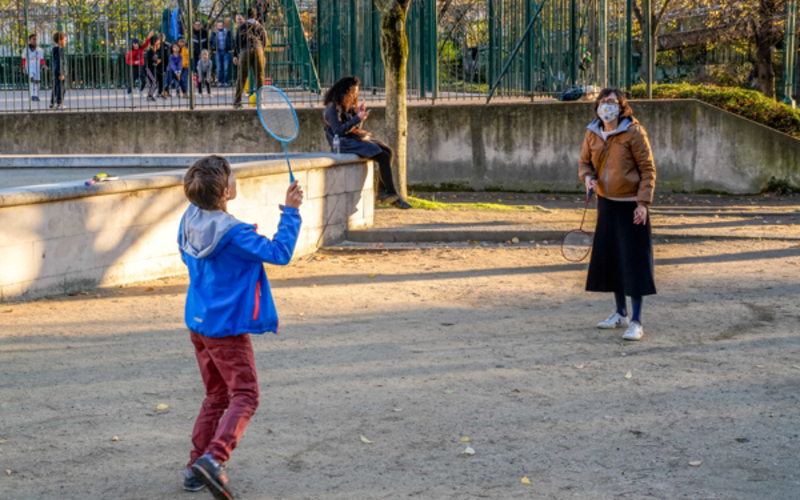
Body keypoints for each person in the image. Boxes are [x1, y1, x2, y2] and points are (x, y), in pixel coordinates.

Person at [177, 155, 303, 498]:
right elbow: (280, 252)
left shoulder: (188, 220)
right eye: (231, 177)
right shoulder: (235, 235)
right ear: (225, 193)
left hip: (199, 322)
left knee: (217, 395)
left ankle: (194, 468)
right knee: (245, 395)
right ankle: (213, 459)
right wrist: (290, 211)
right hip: (227, 329)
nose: (235, 180)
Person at [578, 88, 657, 341]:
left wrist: (643, 203)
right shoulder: (592, 132)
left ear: (622, 106)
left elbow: (647, 169)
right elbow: (584, 163)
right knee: (613, 260)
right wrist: (588, 178)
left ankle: (636, 321)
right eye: (602, 101)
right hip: (606, 204)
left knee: (634, 262)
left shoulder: (634, 132)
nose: (606, 105)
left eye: (611, 101)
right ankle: (620, 313)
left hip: (631, 204)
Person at [323, 76, 412, 209]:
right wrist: (356, 119)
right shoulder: (332, 107)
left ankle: (383, 192)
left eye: (356, 93)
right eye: (351, 93)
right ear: (342, 92)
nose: (354, 96)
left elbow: (352, 127)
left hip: (351, 140)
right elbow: (338, 131)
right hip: (342, 144)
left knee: (388, 151)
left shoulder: (347, 106)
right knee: (383, 156)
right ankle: (391, 194)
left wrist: (359, 115)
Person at [233, 8, 267, 108]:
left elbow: (237, 42)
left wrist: (239, 53)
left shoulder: (241, 27)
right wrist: (261, 50)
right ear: (256, 16)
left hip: (245, 50)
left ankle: (238, 102)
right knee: (259, 76)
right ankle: (260, 101)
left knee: (241, 77)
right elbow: (265, 40)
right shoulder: (260, 26)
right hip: (258, 48)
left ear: (245, 17)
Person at [125, 32, 153, 98]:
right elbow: (128, 61)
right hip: (134, 67)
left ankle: (140, 91)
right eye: (134, 44)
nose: (135, 45)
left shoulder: (141, 49)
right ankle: (129, 93)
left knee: (144, 80)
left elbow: (146, 44)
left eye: (136, 43)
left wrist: (148, 37)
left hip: (141, 66)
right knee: (132, 80)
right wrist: (135, 62)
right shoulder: (130, 52)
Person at [22, 34, 46, 102]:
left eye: (36, 39)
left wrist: (44, 65)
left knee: (37, 81)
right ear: (30, 40)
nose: (35, 41)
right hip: (29, 66)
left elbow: (41, 58)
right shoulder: (26, 49)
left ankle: (36, 95)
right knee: (31, 80)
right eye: (33, 39)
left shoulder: (39, 49)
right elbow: (23, 58)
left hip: (37, 67)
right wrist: (23, 68)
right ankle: (32, 95)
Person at [211, 21, 233, 87]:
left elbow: (231, 40)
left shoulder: (228, 32)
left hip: (226, 51)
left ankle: (226, 82)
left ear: (223, 26)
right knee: (219, 68)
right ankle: (220, 82)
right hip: (217, 52)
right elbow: (210, 42)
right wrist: (213, 49)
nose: (220, 26)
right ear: (217, 26)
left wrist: (230, 48)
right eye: (219, 25)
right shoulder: (214, 33)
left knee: (226, 68)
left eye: (221, 25)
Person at [50, 31, 68, 110]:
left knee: (56, 87)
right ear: (60, 41)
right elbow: (60, 62)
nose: (65, 42)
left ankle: (53, 102)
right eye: (65, 40)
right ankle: (59, 103)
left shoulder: (56, 50)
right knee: (61, 87)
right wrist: (61, 73)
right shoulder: (59, 50)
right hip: (60, 72)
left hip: (57, 71)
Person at [144, 35, 162, 102]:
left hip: (153, 69)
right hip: (148, 69)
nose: (159, 45)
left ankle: (153, 94)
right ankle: (150, 96)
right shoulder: (150, 52)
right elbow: (148, 62)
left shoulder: (155, 52)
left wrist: (157, 61)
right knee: (154, 81)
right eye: (158, 43)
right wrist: (156, 61)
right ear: (155, 44)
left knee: (156, 80)